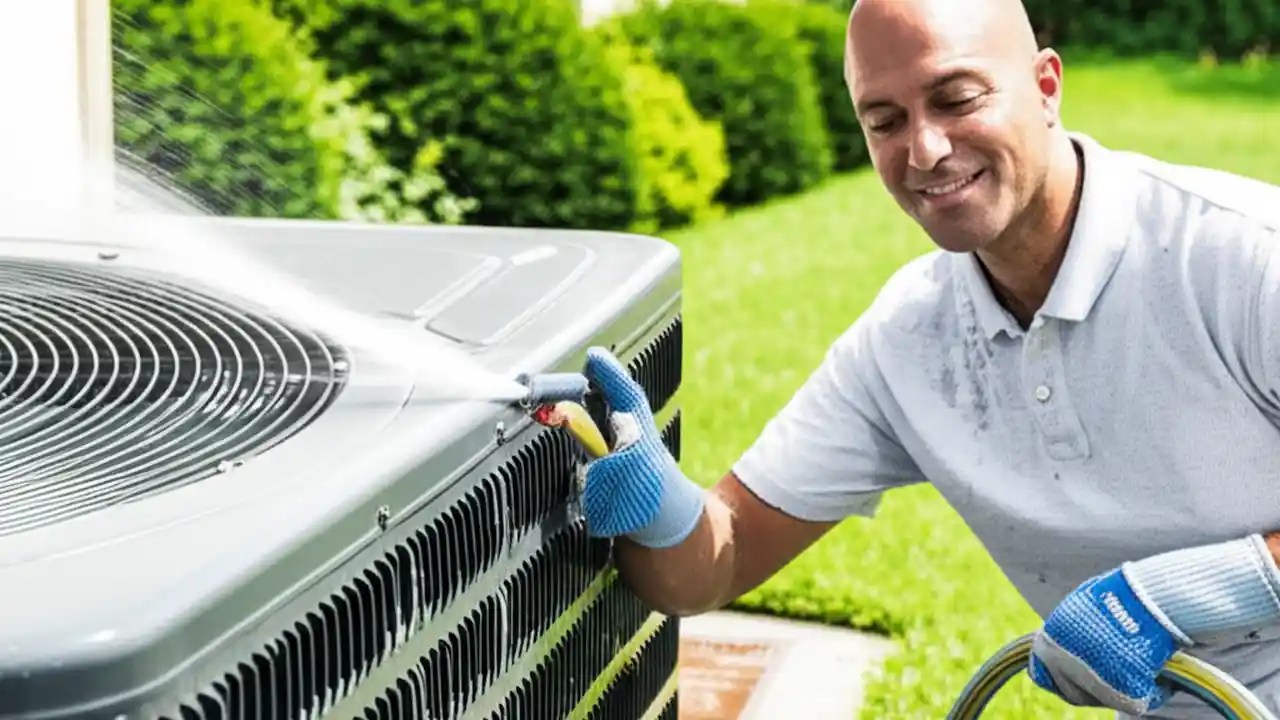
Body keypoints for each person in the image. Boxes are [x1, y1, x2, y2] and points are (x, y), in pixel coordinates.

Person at [574, 0, 1280, 717]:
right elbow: (716, 564)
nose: (925, 151)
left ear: (1045, 87)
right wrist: (659, 507)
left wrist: (1176, 597)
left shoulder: (1242, 258)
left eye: (957, 99)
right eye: (884, 121)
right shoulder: (906, 343)